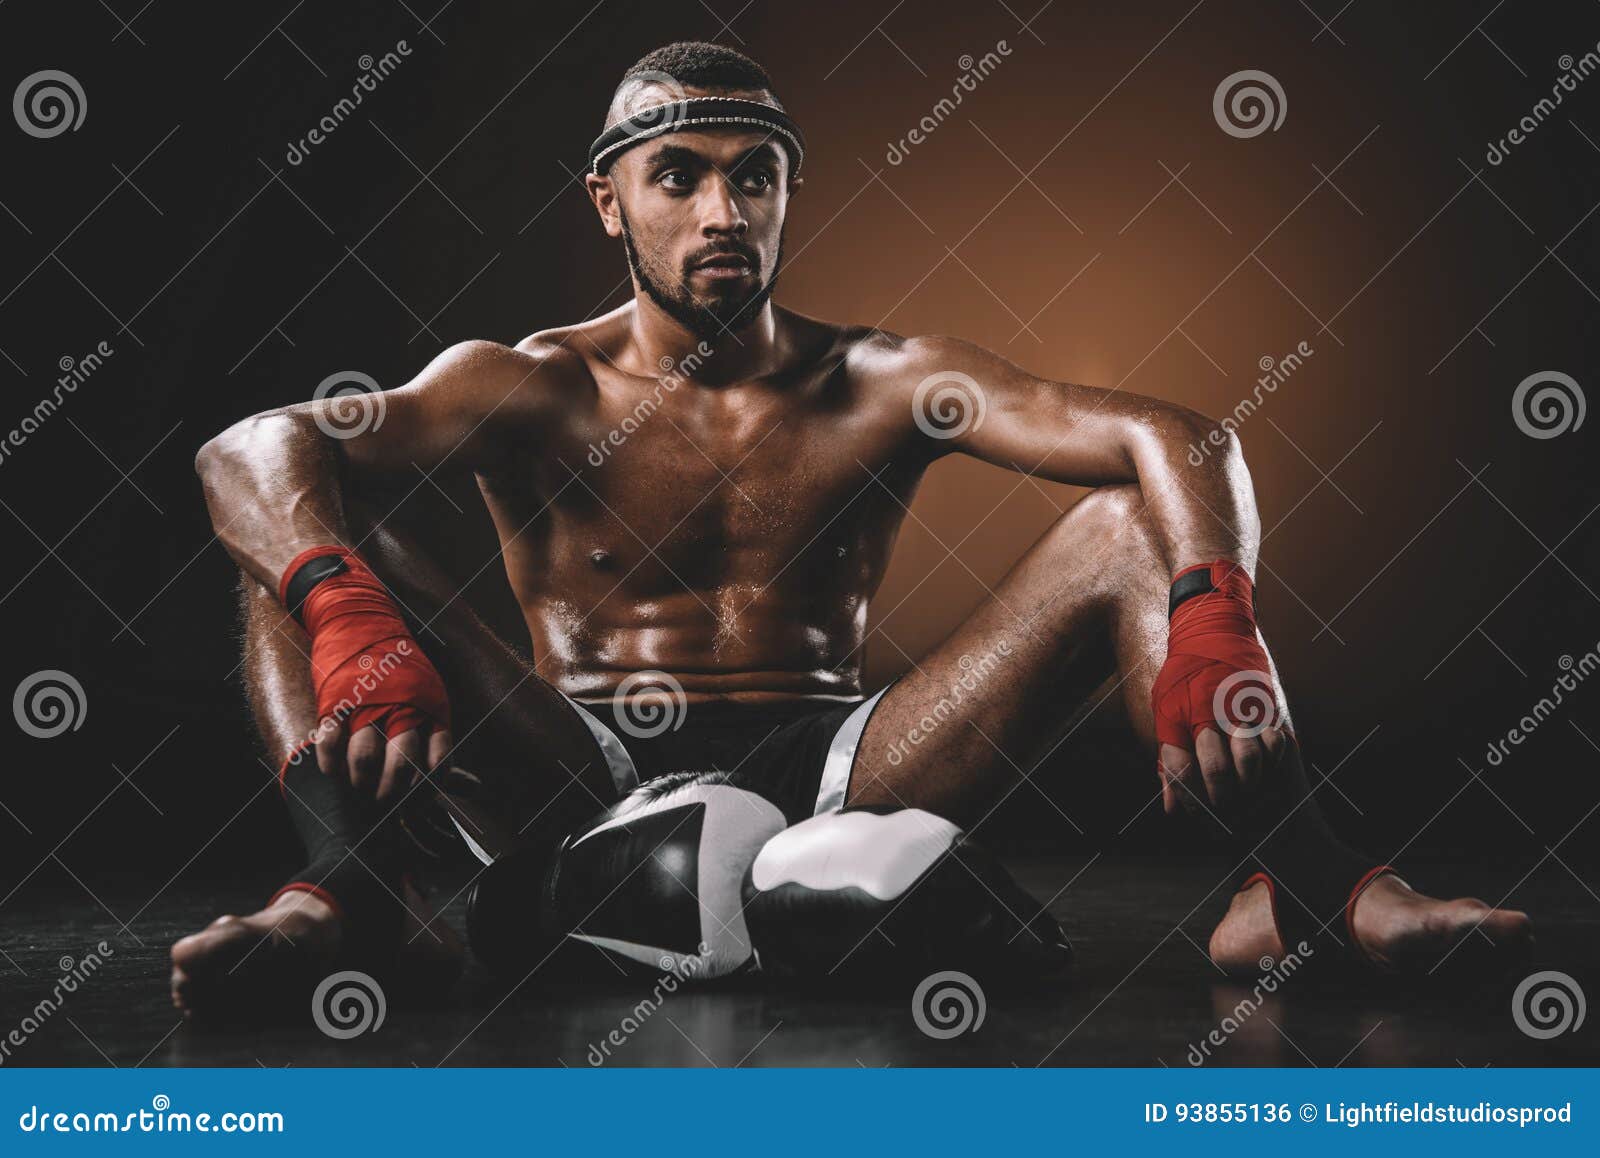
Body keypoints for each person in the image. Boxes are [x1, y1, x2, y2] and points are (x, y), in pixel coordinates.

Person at [172, 41, 1530, 1015]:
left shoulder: (877, 379)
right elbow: (249, 447)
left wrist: (1209, 610)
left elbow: (1173, 438)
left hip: (844, 758)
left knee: (1135, 532)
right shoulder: (530, 380)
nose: (723, 213)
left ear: (785, 195)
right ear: (609, 202)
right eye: (680, 177)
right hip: (572, 767)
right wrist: (336, 596)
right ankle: (353, 895)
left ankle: (1300, 889)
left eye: (755, 177)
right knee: (288, 537)